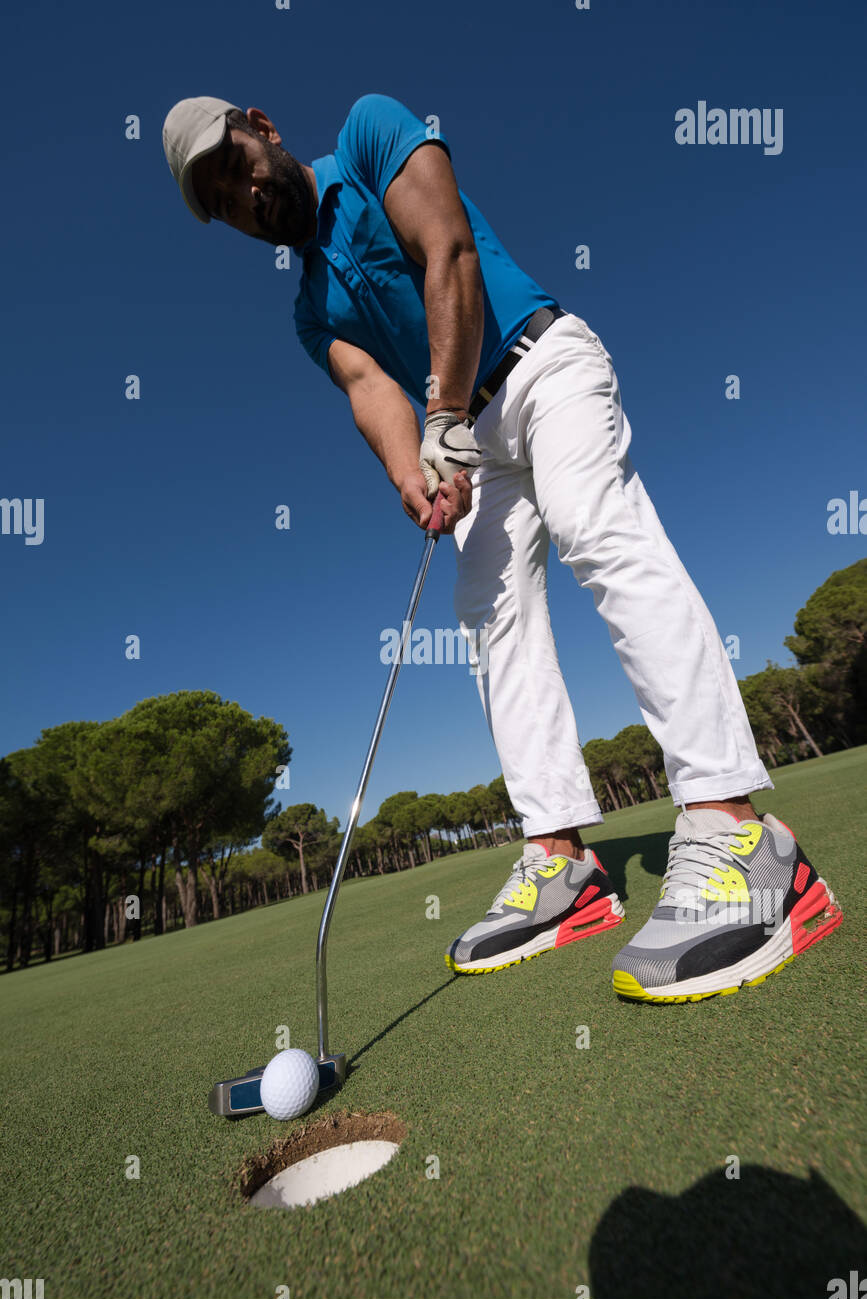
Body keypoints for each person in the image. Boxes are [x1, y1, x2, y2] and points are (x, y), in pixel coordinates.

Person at [162, 93, 842, 1002]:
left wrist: (441, 411)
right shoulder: (305, 311)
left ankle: (738, 831)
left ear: (262, 127)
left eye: (233, 161)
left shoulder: (369, 133)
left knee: (593, 525)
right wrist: (413, 469)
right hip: (469, 438)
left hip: (541, 364)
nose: (243, 194)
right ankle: (561, 859)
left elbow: (446, 247)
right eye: (219, 200)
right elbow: (369, 387)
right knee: (487, 616)